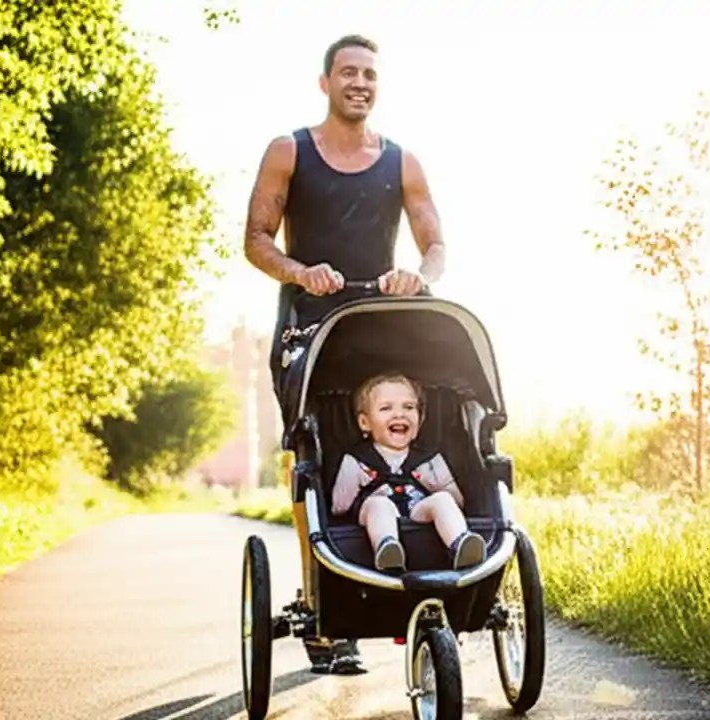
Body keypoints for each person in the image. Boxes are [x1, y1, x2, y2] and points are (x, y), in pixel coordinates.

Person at [241, 33, 446, 675]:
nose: (359, 82)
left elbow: (436, 244)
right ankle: (324, 606)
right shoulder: (289, 152)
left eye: (369, 75)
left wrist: (418, 274)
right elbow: (255, 239)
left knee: (405, 434)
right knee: (314, 454)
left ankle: (417, 551)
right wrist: (300, 272)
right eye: (348, 72)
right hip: (308, 326)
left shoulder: (403, 162)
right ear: (325, 82)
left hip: (380, 328)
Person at [332, 373, 486, 572]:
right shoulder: (357, 460)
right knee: (379, 505)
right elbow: (339, 507)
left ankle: (460, 542)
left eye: (409, 407)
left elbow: (457, 501)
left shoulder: (429, 459)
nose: (399, 415)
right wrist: (356, 480)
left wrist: (435, 484)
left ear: (419, 420)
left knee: (442, 500)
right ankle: (387, 548)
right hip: (374, 513)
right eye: (386, 408)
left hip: (417, 512)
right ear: (365, 423)